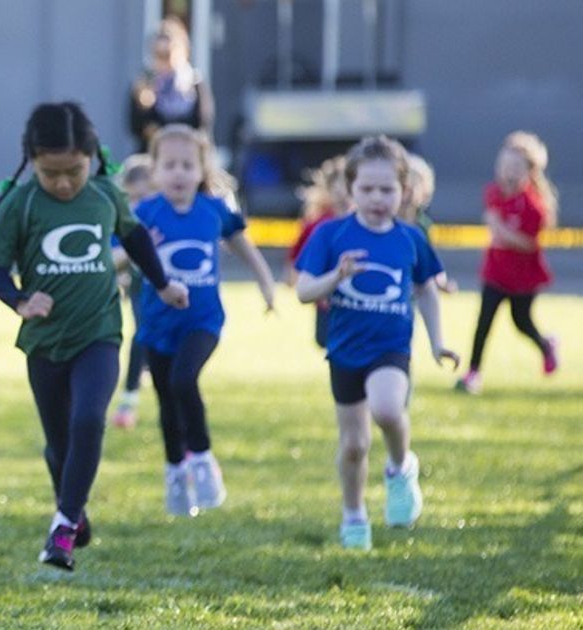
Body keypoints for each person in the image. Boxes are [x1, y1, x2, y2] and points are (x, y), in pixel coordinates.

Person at [0, 102, 190, 571]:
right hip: (45, 342)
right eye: (52, 173)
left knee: (89, 420)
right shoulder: (22, 202)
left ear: (91, 157)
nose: (65, 182)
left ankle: (63, 527)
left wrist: (164, 283)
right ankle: (74, 511)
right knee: (59, 445)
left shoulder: (103, 195)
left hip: (99, 333)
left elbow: (134, 240)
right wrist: (20, 301)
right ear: (32, 160)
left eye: (75, 170)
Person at [295, 135, 459, 551]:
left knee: (387, 408)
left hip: (391, 347)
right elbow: (304, 291)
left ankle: (401, 467)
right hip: (345, 351)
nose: (377, 198)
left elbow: (425, 288)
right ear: (349, 189)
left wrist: (438, 342)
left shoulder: (411, 238)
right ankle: (354, 516)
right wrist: (336, 277)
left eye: (387, 189)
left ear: (404, 191)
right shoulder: (330, 235)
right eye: (366, 189)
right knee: (353, 444)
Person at [131, 124, 275, 517]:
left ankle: (203, 459)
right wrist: (142, 250)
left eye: (187, 165)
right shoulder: (143, 215)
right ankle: (176, 471)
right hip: (158, 325)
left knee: (183, 379)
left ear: (201, 170)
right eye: (169, 165)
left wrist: (266, 283)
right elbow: (116, 258)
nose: (178, 173)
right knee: (165, 400)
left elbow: (243, 245)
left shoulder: (214, 210)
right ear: (155, 171)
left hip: (203, 320)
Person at [457, 132, 559, 394]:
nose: (508, 173)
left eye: (515, 168)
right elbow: (492, 220)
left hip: (523, 277)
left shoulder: (534, 207)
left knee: (521, 321)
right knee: (484, 321)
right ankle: (473, 373)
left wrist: (503, 232)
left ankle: (545, 345)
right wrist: (499, 230)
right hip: (495, 272)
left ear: (530, 171)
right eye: (504, 166)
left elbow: (529, 243)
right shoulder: (493, 193)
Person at [110, 153, 155, 429]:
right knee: (142, 333)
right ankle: (129, 397)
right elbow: (113, 256)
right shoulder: (123, 218)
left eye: (144, 196)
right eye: (132, 198)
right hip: (140, 285)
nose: (138, 204)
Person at [287, 155, 350, 348]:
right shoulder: (319, 225)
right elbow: (297, 253)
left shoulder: (365, 224)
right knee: (327, 339)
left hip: (355, 297)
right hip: (325, 297)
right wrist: (294, 276)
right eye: (338, 186)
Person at [128, 16, 215, 153]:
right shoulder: (144, 82)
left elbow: (203, 125)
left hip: (188, 155)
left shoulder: (194, 82)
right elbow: (135, 126)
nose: (164, 61)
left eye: (168, 54)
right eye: (158, 54)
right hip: (154, 155)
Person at [400, 153, 457, 294]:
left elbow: (429, 260)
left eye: (416, 185)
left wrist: (441, 282)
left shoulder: (422, 226)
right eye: (406, 185)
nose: (409, 193)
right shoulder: (385, 221)